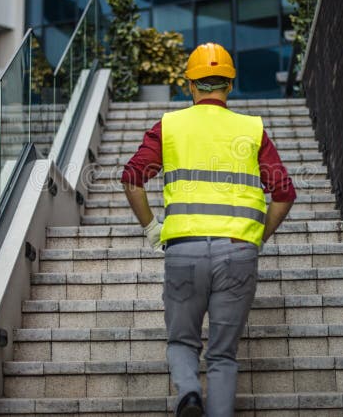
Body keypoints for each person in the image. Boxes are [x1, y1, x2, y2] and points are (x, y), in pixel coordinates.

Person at [121, 42, 296, 417]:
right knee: (223, 354)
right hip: (238, 252)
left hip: (183, 251)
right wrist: (258, 236)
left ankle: (188, 393)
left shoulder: (169, 126)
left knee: (182, 341)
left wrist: (152, 229)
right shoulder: (252, 130)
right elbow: (284, 193)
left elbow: (132, 178)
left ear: (190, 85)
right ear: (230, 84)